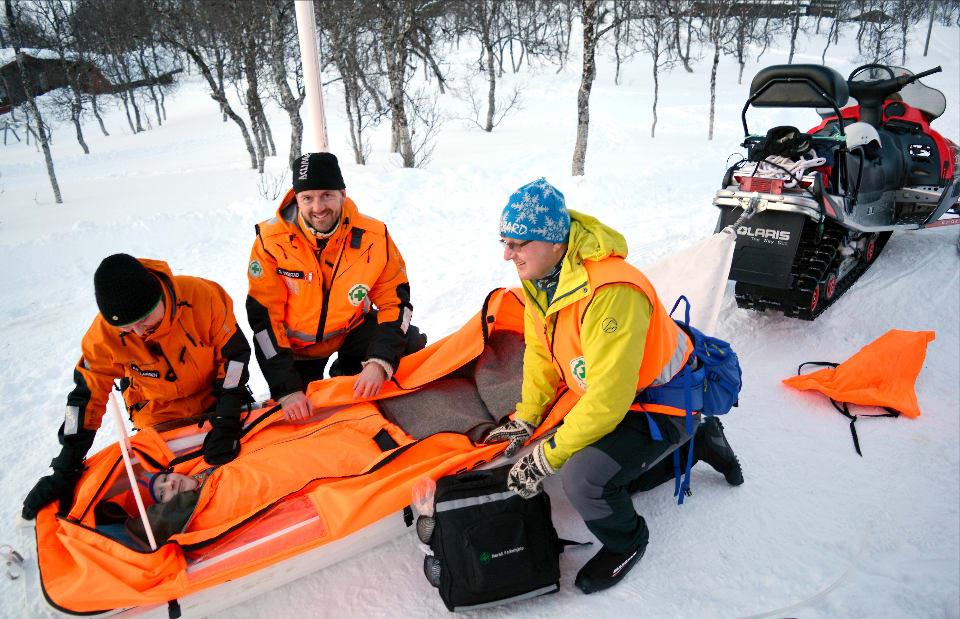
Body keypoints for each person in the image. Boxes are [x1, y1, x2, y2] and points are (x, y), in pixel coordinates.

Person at [484, 178, 744, 594]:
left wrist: (547, 456)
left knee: (584, 479)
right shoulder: (542, 279)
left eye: (518, 244)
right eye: (505, 242)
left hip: (664, 400)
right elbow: (540, 354)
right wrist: (526, 419)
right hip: (625, 394)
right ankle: (698, 443)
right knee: (617, 476)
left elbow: (608, 400)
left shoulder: (610, 291)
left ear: (554, 242)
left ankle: (629, 541)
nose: (507, 255)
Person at [21, 254, 252, 520]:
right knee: (170, 492)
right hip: (158, 415)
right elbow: (84, 399)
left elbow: (234, 358)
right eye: (127, 328)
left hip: (217, 398)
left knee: (234, 468)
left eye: (143, 321)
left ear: (159, 297)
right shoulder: (103, 337)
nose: (139, 333)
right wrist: (66, 465)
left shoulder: (202, 296)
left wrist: (227, 415)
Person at [246, 152, 426, 420]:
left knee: (408, 341)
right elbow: (264, 325)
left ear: (342, 194)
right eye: (308, 198)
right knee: (303, 416)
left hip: (348, 332)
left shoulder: (374, 237)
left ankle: (349, 373)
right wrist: (287, 389)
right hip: (297, 352)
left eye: (327, 195)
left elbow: (396, 305)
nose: (318, 207)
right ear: (297, 199)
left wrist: (380, 362)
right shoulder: (271, 241)